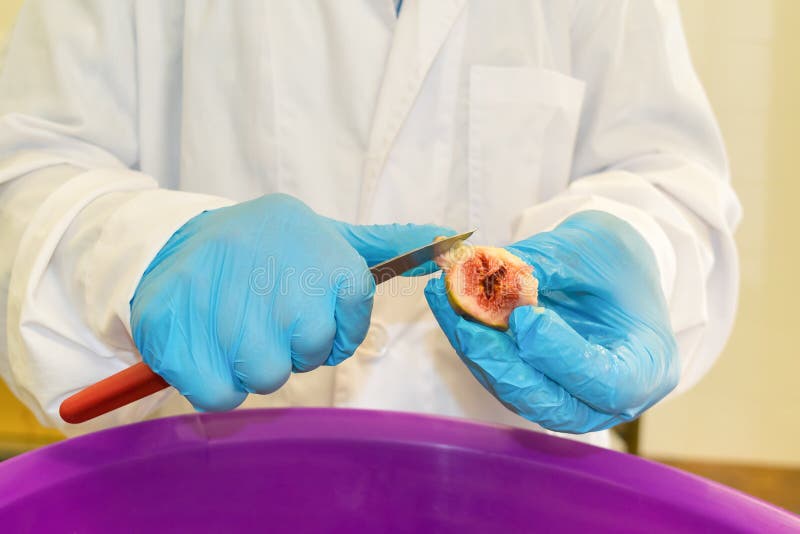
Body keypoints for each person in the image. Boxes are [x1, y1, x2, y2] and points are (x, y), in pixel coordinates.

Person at [0, 1, 740, 447]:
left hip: (521, 495)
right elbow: (25, 172)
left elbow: (667, 173)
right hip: (199, 490)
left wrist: (644, 245)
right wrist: (148, 253)